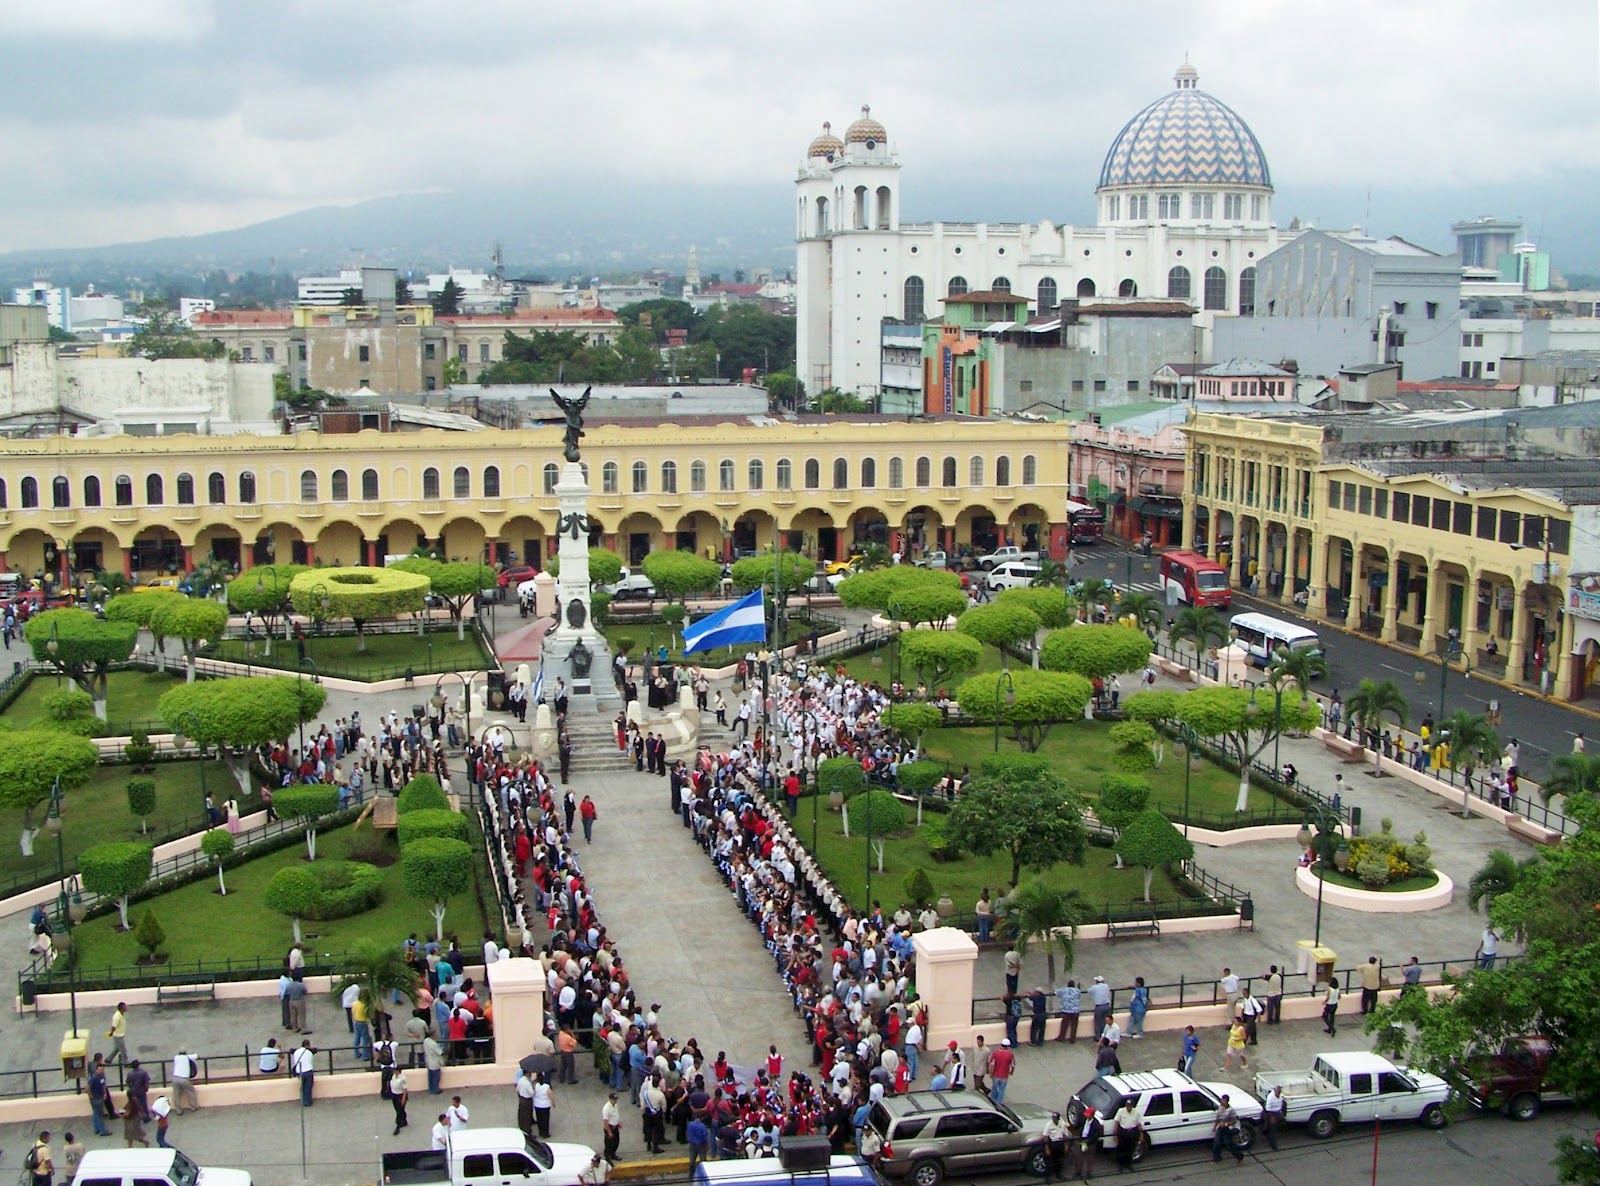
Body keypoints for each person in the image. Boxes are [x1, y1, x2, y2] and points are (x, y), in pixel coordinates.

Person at [1210, 1095, 1244, 1164]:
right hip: (1222, 1127)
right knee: (1217, 1142)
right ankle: (1217, 1158)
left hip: (1230, 1128)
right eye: (1222, 1100)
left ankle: (1240, 1156)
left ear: (1227, 1101)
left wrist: (1226, 1124)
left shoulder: (1231, 1110)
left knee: (1229, 1143)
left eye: (1224, 1101)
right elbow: (1218, 1117)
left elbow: (1234, 1120)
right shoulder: (1220, 1107)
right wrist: (1215, 1126)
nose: (1222, 1102)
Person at [1113, 1099, 1143, 1171]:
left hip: (1133, 1131)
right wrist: (1115, 1134)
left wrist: (1141, 1134)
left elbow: (1139, 1124)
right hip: (1123, 1131)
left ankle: (1128, 1164)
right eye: (1127, 1106)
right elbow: (1116, 1122)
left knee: (1130, 1149)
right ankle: (1121, 1165)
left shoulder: (1136, 1112)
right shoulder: (1121, 1111)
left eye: (1129, 1106)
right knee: (1121, 1149)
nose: (1128, 1107)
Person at [87, 1056, 112, 1137]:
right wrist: (90, 1095)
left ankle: (97, 1128)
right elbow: (87, 1086)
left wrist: (104, 1093)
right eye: (100, 1069)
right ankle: (102, 1130)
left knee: (96, 1113)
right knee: (99, 1114)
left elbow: (103, 1085)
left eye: (102, 1069)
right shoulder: (94, 1077)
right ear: (96, 1069)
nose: (101, 1071)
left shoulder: (101, 1076)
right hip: (95, 1098)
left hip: (100, 1096)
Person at [1076, 1107, 1102, 1181]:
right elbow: (1081, 1129)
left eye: (1088, 1114)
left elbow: (1096, 1135)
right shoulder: (1084, 1120)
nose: (1086, 1115)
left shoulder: (1096, 1124)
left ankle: (1089, 1173)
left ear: (1092, 1115)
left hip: (1090, 1143)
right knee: (1080, 1158)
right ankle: (1078, 1172)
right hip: (1082, 1141)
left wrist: (1088, 1142)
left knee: (1089, 1159)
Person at [1043, 1112, 1069, 1183]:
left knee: (1059, 1160)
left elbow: (1065, 1135)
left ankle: (1059, 1174)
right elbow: (1045, 1137)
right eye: (1053, 1119)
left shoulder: (1062, 1124)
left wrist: (1066, 1145)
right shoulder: (1049, 1124)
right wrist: (1047, 1148)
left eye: (1055, 1119)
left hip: (1060, 1143)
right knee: (1049, 1162)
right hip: (1052, 1143)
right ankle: (1047, 1178)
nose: (1054, 1120)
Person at [170, 1049, 199, 1113]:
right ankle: (193, 1107)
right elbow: (196, 1056)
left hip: (175, 1078)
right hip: (184, 1079)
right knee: (191, 1091)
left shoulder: (176, 1057)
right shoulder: (187, 1057)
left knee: (176, 1095)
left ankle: (178, 1110)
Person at [988, 1038, 1016, 1104]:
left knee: (994, 1087)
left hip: (996, 1075)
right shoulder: (1010, 1054)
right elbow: (1013, 1065)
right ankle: (998, 1102)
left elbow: (992, 1064)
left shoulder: (996, 1053)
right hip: (1004, 1075)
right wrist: (1012, 1072)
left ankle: (993, 1100)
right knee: (1002, 1089)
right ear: (1007, 1046)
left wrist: (991, 1073)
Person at [292, 1039, 317, 1106]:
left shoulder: (296, 1051)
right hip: (308, 1071)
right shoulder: (310, 1052)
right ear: (308, 1045)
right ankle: (308, 1102)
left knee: (302, 1087)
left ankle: (303, 1101)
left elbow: (291, 1050)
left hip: (299, 1072)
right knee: (308, 1088)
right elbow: (315, 1049)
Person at [1260, 1085, 1284, 1151]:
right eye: (1277, 1092)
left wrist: (1281, 1112)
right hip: (1271, 1114)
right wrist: (1272, 1117)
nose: (1278, 1094)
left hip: (1277, 1112)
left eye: (1279, 1092)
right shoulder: (1270, 1098)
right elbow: (1268, 1110)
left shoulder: (1280, 1096)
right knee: (1273, 1130)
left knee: (1273, 1128)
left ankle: (1265, 1133)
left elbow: (1281, 1104)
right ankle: (1273, 1145)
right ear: (1275, 1091)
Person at [389, 1066, 411, 1136]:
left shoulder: (403, 1078)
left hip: (400, 1095)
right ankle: (404, 1119)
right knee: (398, 1109)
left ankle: (398, 1124)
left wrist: (403, 1099)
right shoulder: (394, 1076)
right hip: (394, 1094)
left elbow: (405, 1090)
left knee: (399, 1110)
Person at [531, 1073, 554, 1139]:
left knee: (539, 1118)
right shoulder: (547, 1087)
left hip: (537, 1104)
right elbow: (551, 1095)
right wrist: (553, 1103)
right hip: (545, 1105)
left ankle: (540, 1131)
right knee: (545, 1119)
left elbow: (533, 1093)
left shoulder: (536, 1086)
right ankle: (545, 1133)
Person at [601, 1092, 622, 1163]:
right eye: (614, 1099)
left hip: (615, 1126)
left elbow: (616, 1114)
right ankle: (607, 1157)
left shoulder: (615, 1105)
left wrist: (618, 1122)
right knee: (608, 1143)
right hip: (610, 1127)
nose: (615, 1101)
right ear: (610, 1099)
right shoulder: (606, 1108)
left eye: (616, 1099)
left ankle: (613, 1154)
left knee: (616, 1142)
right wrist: (609, 1132)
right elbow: (605, 1121)